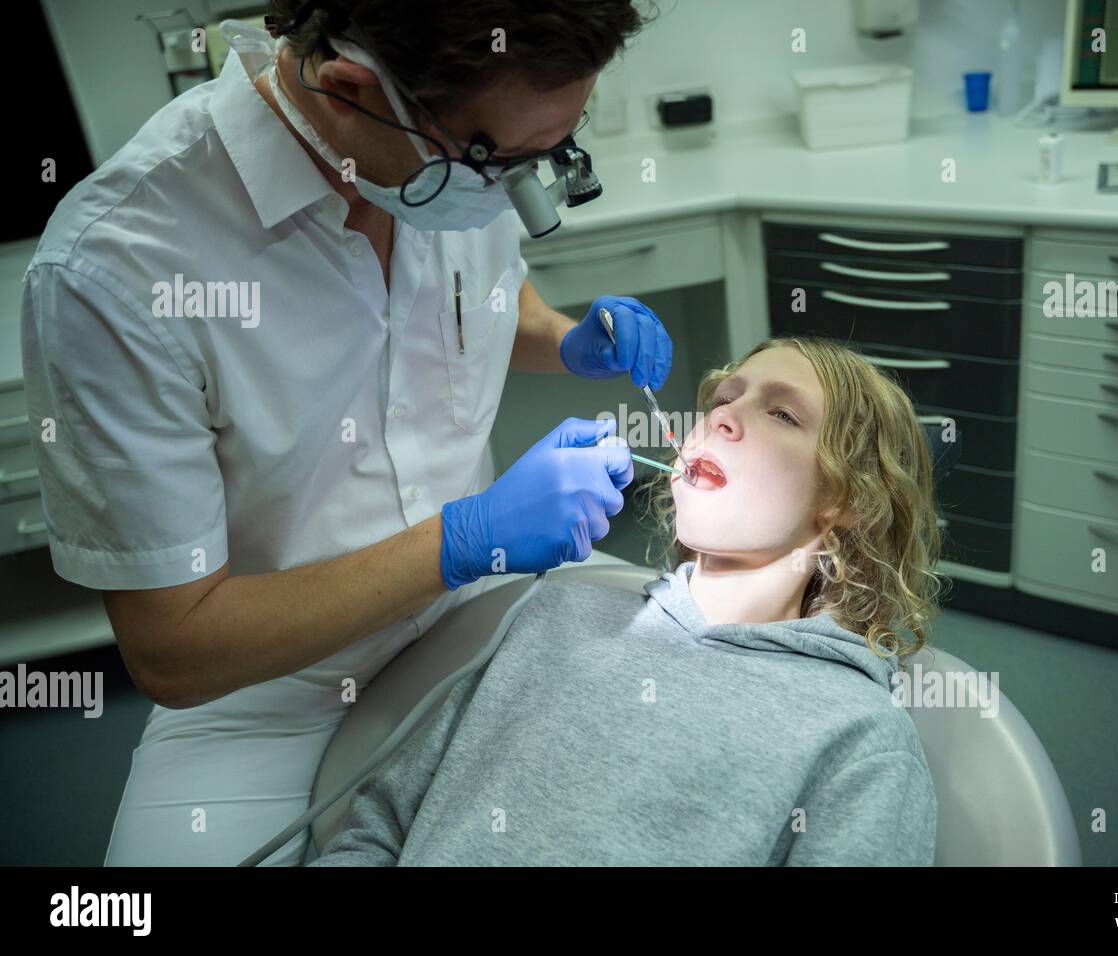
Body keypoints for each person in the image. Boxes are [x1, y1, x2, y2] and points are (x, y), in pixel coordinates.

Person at [19, 1, 669, 865]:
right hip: (269, 697)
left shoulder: (452, 150)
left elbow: (483, 298)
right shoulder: (115, 271)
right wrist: (462, 540)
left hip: (491, 608)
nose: (523, 193)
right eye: (498, 164)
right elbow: (175, 651)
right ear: (350, 90)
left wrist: (566, 339)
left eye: (546, 154)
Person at [310, 337, 945, 866]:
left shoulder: (858, 735)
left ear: (851, 499)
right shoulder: (552, 615)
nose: (723, 416)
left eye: (782, 414)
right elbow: (380, 829)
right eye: (724, 399)